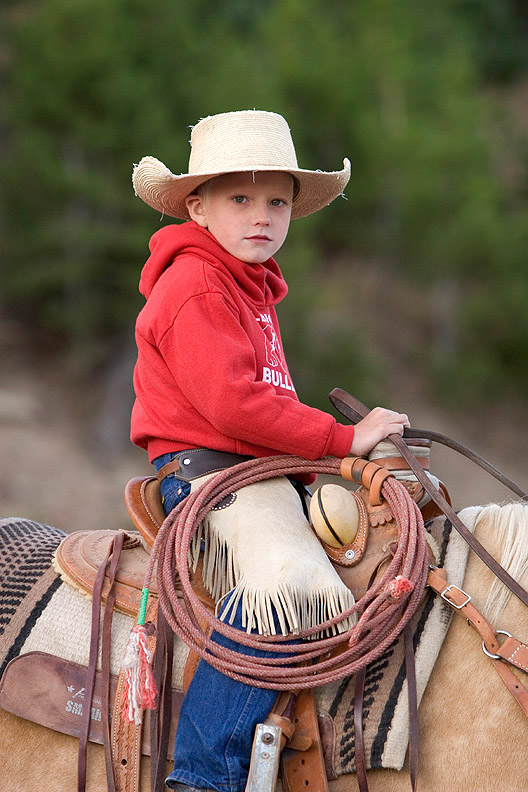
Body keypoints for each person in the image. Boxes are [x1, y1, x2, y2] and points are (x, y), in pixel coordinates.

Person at [131, 110, 410, 792]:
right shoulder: (195, 285)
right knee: (289, 583)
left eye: (277, 201)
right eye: (240, 199)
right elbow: (234, 405)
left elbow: (264, 405)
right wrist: (343, 440)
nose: (262, 216)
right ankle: (201, 774)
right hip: (212, 479)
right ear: (196, 207)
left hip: (260, 474)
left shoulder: (250, 288)